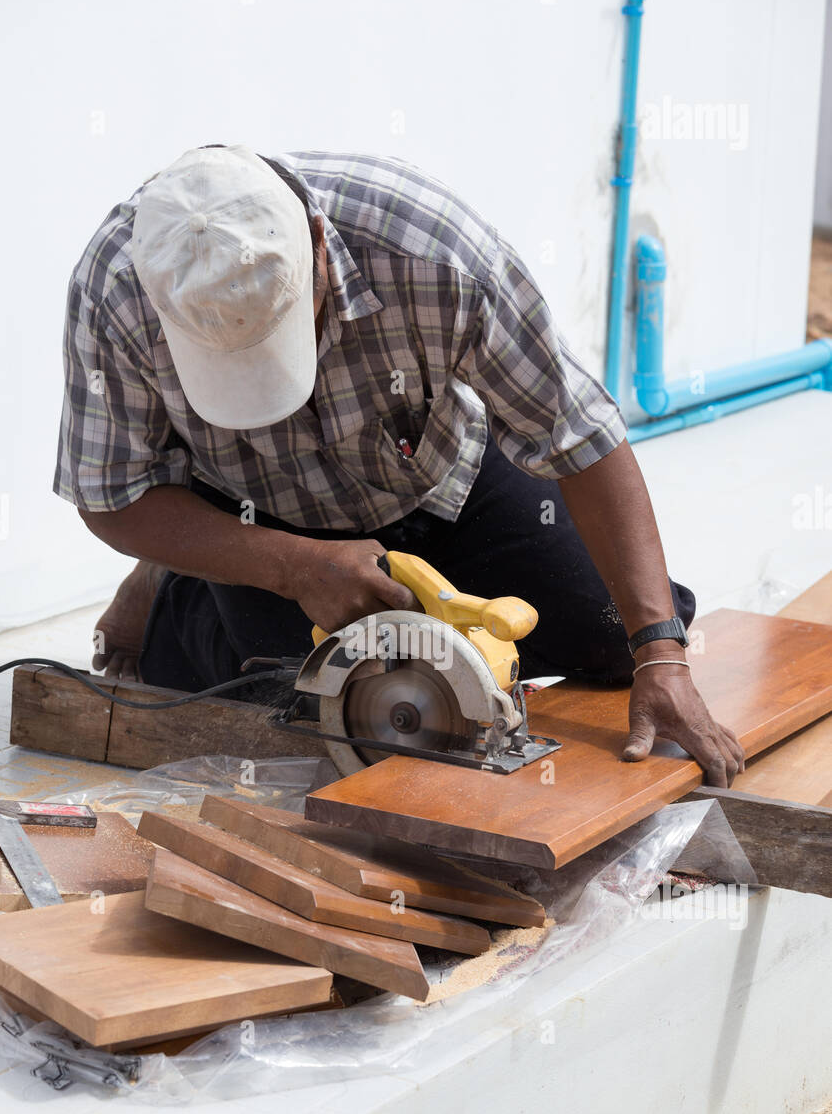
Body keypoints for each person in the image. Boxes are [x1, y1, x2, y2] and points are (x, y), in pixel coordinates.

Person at [55, 145, 744, 785]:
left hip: (446, 483)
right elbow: (113, 494)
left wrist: (661, 651)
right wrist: (292, 567)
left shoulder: (434, 252)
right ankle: (181, 588)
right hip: (260, 516)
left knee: (612, 636)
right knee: (295, 704)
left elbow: (581, 434)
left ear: (320, 245)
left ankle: (201, 571)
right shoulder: (115, 288)